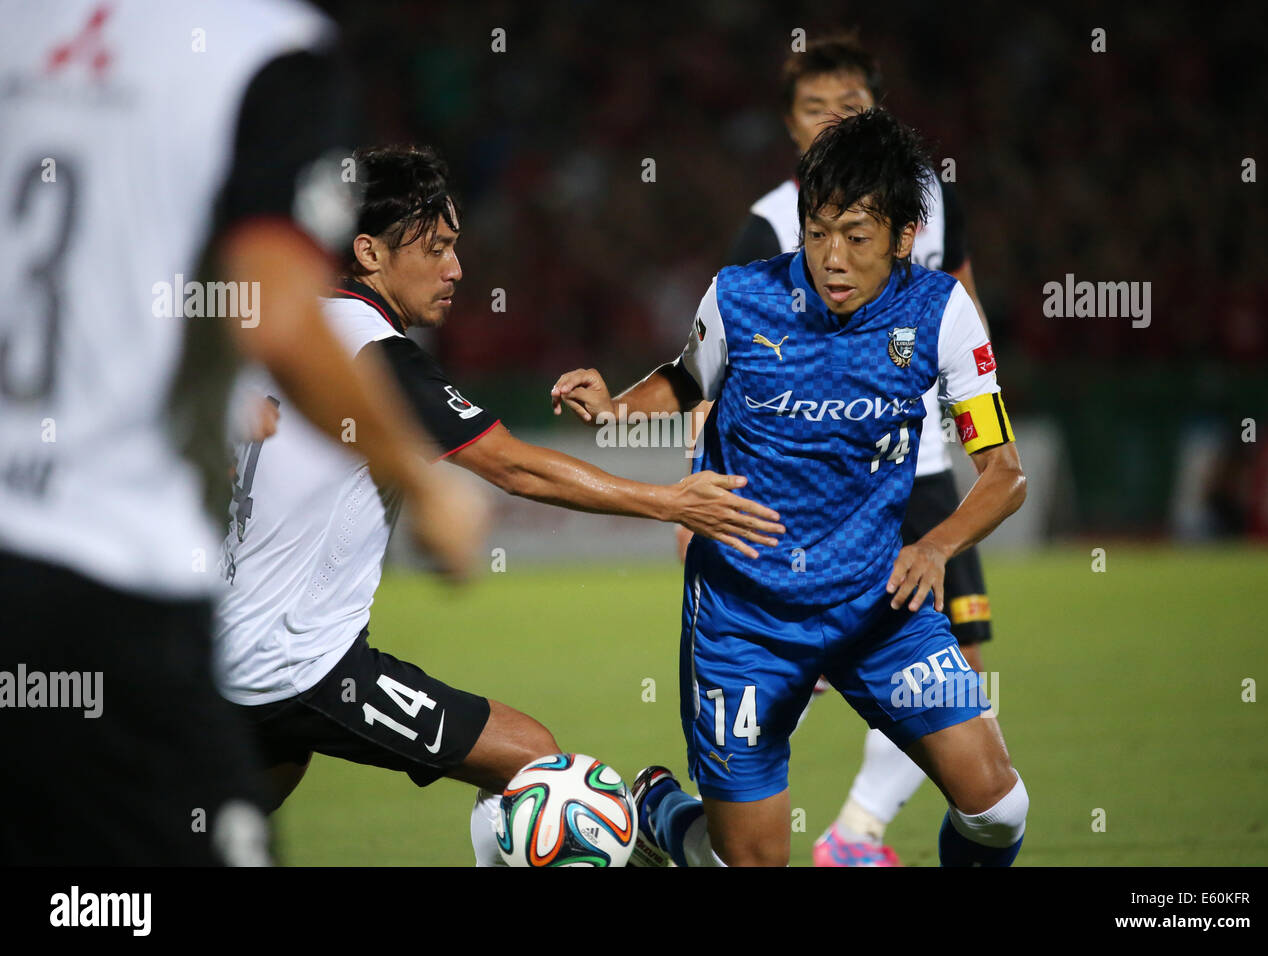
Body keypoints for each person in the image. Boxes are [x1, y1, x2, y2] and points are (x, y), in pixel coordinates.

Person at [0, 0, 480, 865]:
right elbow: (272, 305)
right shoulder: (264, 52)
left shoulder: (22, 29)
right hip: (110, 572)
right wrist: (426, 477)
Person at [214, 144, 784, 865]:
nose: (456, 269)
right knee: (538, 766)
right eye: (437, 249)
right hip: (297, 663)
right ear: (369, 253)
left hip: (237, 651)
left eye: (456, 248)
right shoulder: (372, 351)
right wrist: (672, 501)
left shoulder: (292, 331)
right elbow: (514, 467)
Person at [551, 109, 1028, 867]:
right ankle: (660, 815)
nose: (831, 258)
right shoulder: (741, 297)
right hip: (745, 617)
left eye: (857, 236)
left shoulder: (942, 314)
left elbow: (1004, 474)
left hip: (878, 603)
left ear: (904, 237)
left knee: (1000, 809)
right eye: (816, 232)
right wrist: (616, 410)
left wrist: (937, 547)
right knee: (747, 861)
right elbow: (682, 381)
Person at [680, 33, 1000, 866]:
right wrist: (697, 489)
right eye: (812, 108)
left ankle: (856, 828)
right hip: (805, 498)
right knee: (801, 661)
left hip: (921, 471)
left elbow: (959, 296)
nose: (830, 120)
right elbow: (714, 371)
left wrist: (977, 383)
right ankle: (787, 814)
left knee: (959, 674)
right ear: (790, 127)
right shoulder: (768, 231)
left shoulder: (927, 201)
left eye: (846, 104)